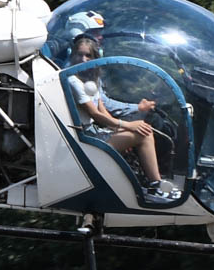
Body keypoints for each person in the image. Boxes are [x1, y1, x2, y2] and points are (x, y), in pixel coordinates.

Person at [66, 35, 180, 204]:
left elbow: (103, 110)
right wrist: (129, 125)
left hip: (94, 133)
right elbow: (95, 114)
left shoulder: (91, 80)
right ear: (72, 55)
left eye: (88, 56)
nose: (83, 59)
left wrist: (123, 127)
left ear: (95, 58)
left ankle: (154, 183)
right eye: (79, 54)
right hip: (84, 140)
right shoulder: (73, 80)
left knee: (145, 129)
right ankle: (155, 186)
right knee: (143, 134)